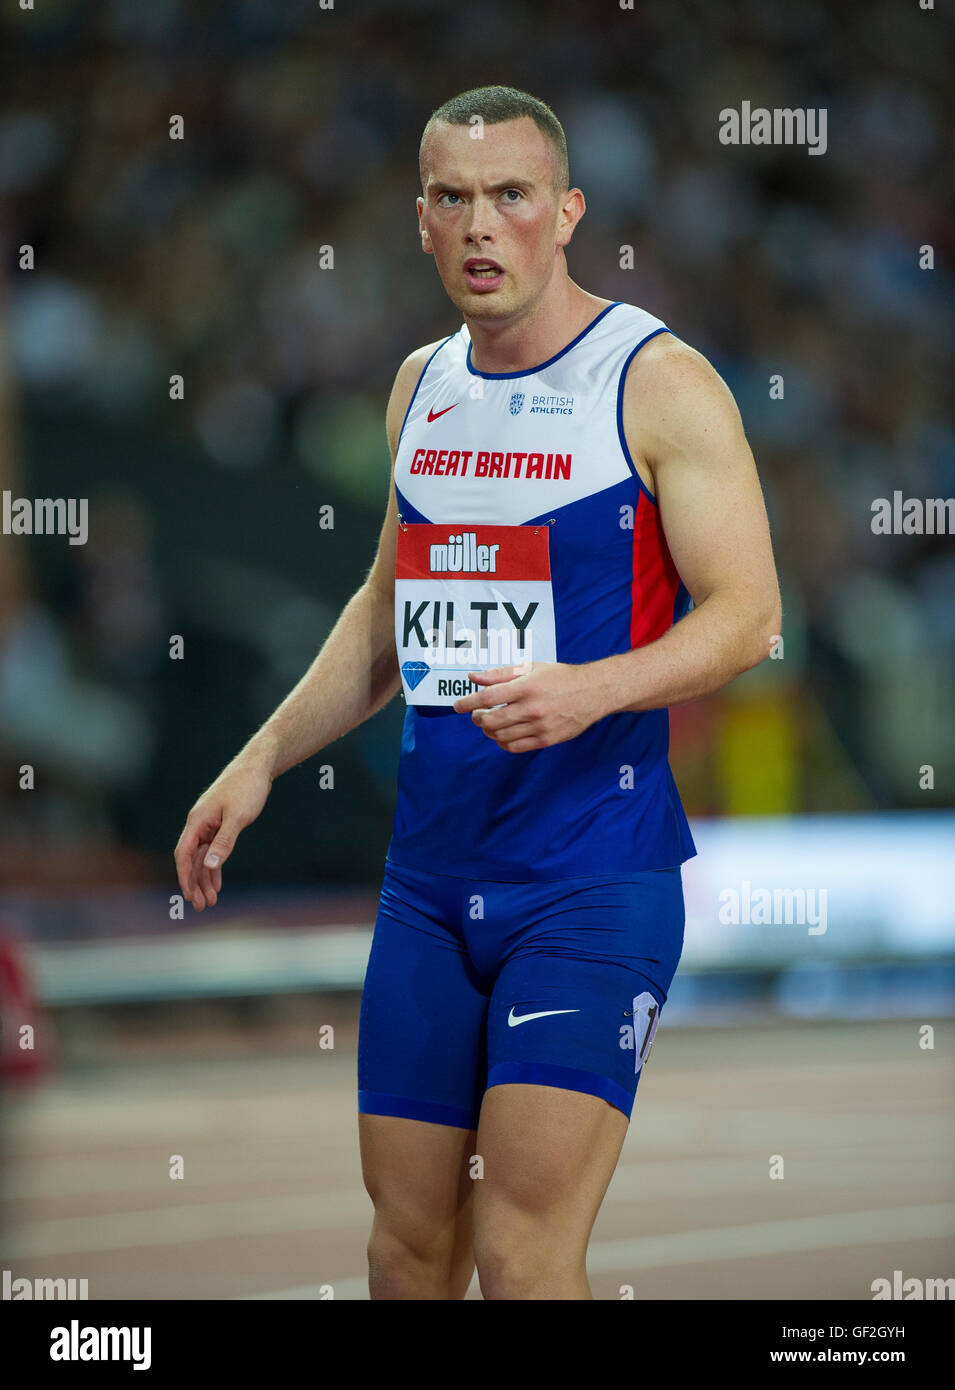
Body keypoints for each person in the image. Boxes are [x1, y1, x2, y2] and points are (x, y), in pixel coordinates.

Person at [174, 85, 782, 1300]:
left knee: (520, 1256)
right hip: (431, 885)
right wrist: (257, 757)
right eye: (452, 198)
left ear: (565, 212)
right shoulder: (419, 389)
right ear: (420, 221)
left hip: (590, 881)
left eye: (509, 196)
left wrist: (590, 690)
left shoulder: (657, 382)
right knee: (408, 1255)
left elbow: (749, 615)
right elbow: (383, 620)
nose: (480, 225)